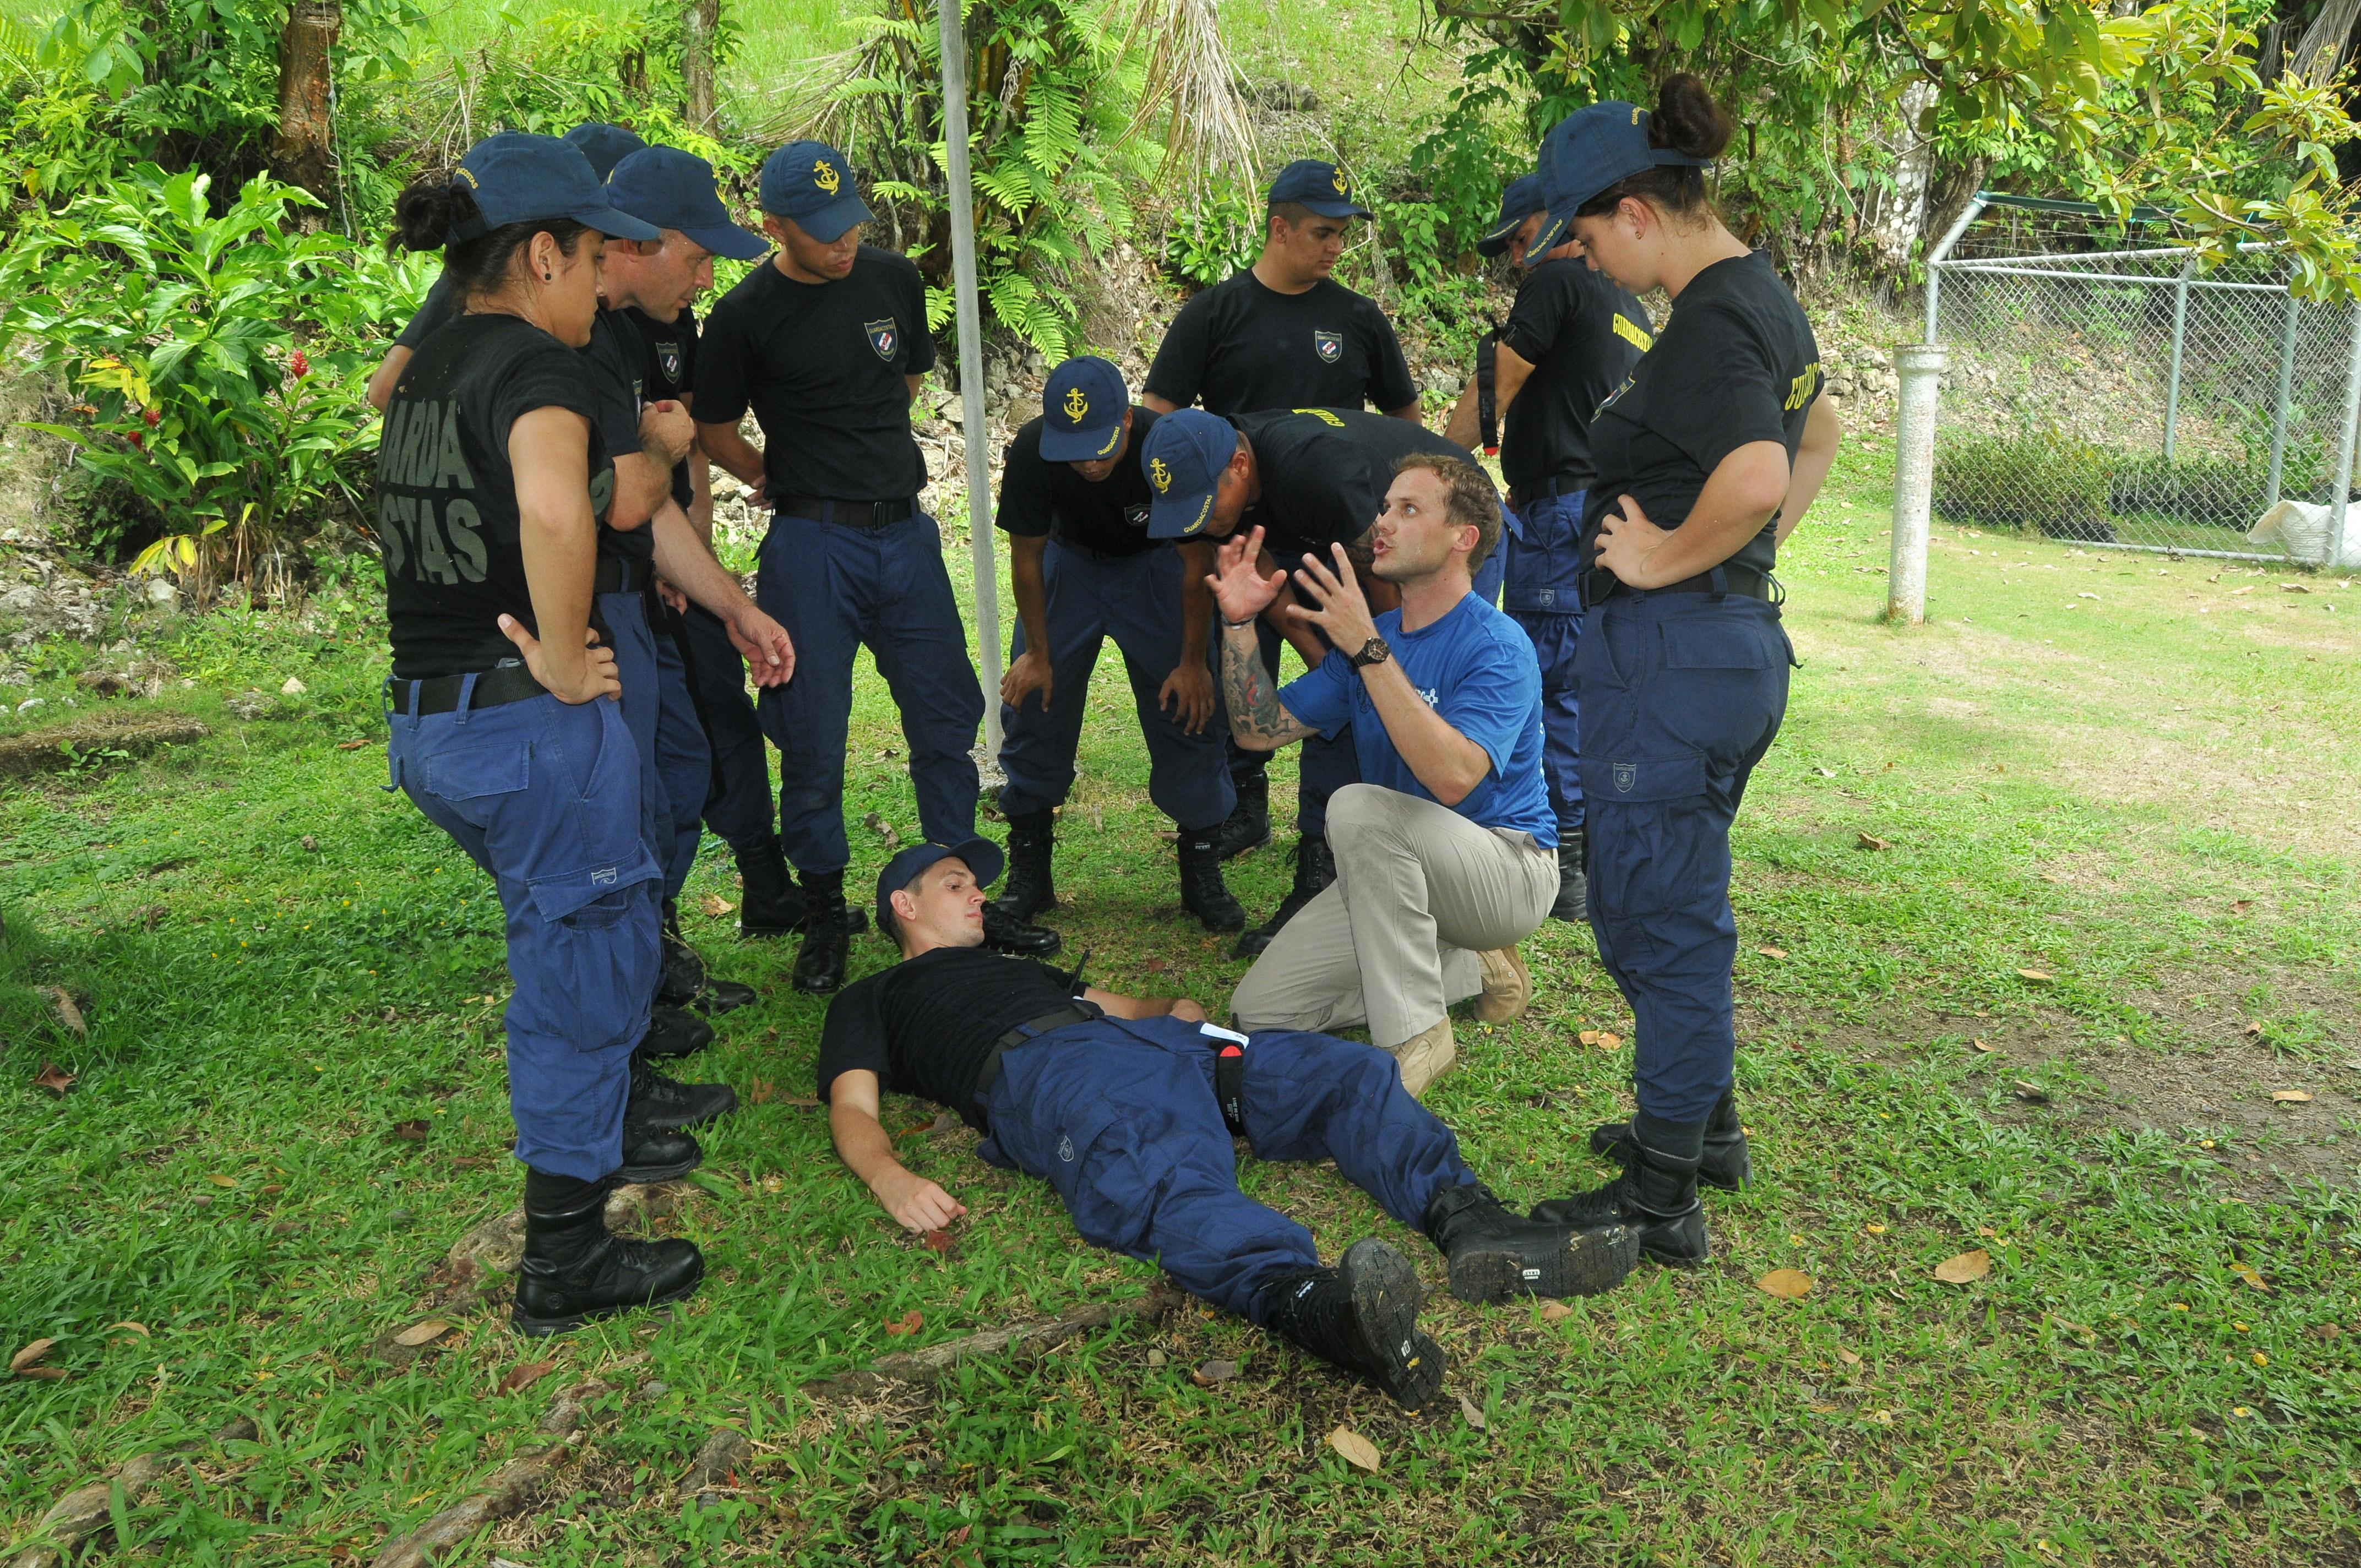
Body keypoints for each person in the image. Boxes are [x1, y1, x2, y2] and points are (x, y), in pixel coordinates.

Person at [817, 841, 1640, 1411]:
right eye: (956, 884)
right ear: (904, 905)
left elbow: (1121, 1005)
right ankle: (1321, 1309)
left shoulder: (1015, 965)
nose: (978, 895)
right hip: (1051, 1076)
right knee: (1161, 1169)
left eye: (975, 883)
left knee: (1345, 1073)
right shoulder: (874, 998)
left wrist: (1177, 1012)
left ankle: (1474, 1224)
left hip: (1158, 1048)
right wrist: (889, 1177)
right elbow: (852, 1107)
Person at [372, 133, 736, 1336]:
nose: (597, 284)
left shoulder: (427, 368)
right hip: (527, 725)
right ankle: (566, 1255)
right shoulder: (539, 365)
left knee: (578, 933)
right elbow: (550, 505)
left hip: (433, 722)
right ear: (540, 257)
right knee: (579, 968)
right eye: (589, 259)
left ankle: (603, 1141)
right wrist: (570, 654)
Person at [1517, 78, 1840, 1267]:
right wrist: (1740, 564)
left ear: (1636, 212)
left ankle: (1660, 1198)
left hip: (1673, 658)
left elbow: (1758, 473)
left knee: (1659, 919)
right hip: (1717, 646)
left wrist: (1667, 557)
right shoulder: (1763, 298)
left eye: (1586, 234)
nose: (1586, 259)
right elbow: (1820, 432)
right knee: (1665, 899)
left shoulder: (1709, 316)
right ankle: (1704, 1132)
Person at [693, 140, 1059, 995]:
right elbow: (712, 430)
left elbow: (906, 380)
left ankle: (959, 890)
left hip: (906, 536)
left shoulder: (892, 279)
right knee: (811, 733)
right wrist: (772, 474)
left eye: (851, 223)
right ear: (773, 227)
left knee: (944, 716)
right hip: (812, 546)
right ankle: (825, 909)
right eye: (822, 231)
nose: (844, 242)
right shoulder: (745, 315)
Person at [1202, 447, 1558, 1097]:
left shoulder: (1497, 645)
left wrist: (1368, 649)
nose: (1382, 522)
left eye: (1409, 509)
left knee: (1356, 805)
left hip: (1508, 871)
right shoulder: (1370, 639)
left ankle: (1417, 1035)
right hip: (1399, 874)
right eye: (1386, 506)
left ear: (1462, 538)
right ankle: (1471, 969)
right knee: (1262, 1010)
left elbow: (1453, 778)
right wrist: (1240, 624)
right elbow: (1258, 731)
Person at [1142, 159, 1422, 875]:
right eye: (1323, 232)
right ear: (1279, 228)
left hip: (1339, 531)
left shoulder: (1358, 318)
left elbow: (1403, 417)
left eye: (1344, 234)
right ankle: (1244, 803)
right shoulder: (1215, 314)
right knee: (1243, 663)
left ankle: (1329, 826)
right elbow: (1159, 418)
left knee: (1342, 668)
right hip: (1243, 534)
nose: (1337, 247)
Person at [1135, 405, 1488, 957]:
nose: (1198, 523)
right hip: (1345, 541)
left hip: (1438, 532)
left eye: (1203, 506)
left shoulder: (1312, 471)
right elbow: (1270, 582)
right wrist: (1335, 674)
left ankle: (1456, 885)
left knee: (1422, 708)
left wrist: (1384, 674)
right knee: (1341, 711)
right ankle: (1319, 875)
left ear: (1240, 465)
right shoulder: (1218, 481)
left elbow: (1386, 578)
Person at [580, 145, 799, 1025]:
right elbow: (626, 492)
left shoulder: (638, 332)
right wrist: (661, 448)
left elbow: (661, 503)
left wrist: (731, 605)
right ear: (642, 242)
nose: (709, 279)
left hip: (643, 588)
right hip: (588, 608)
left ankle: (656, 952)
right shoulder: (573, 339)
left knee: (679, 762)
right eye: (700, 256)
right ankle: (631, 993)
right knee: (626, 789)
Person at [1444, 171, 1654, 925]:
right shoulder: (1631, 308)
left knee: (1544, 680)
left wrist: (1432, 473)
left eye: (1520, 238)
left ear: (1557, 222)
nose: (1515, 259)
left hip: (1563, 517)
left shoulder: (1556, 282)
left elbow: (1497, 387)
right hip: (1610, 514)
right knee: (1595, 682)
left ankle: (1560, 857)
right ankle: (1596, 844)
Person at [987, 357, 1243, 933]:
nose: (1089, 463)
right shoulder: (1032, 451)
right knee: (1033, 701)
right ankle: (1030, 867)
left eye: (1100, 447)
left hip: (1155, 566)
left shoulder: (1163, 445)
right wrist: (1037, 653)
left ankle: (1201, 865)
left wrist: (1192, 661)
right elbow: (1026, 557)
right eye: (1075, 450)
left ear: (1127, 419)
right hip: (1068, 565)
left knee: (1191, 707)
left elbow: (1195, 561)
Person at [367, 123, 646, 413]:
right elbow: (387, 389)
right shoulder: (494, 299)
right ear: (545, 256)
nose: (600, 286)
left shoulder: (478, 296)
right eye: (595, 255)